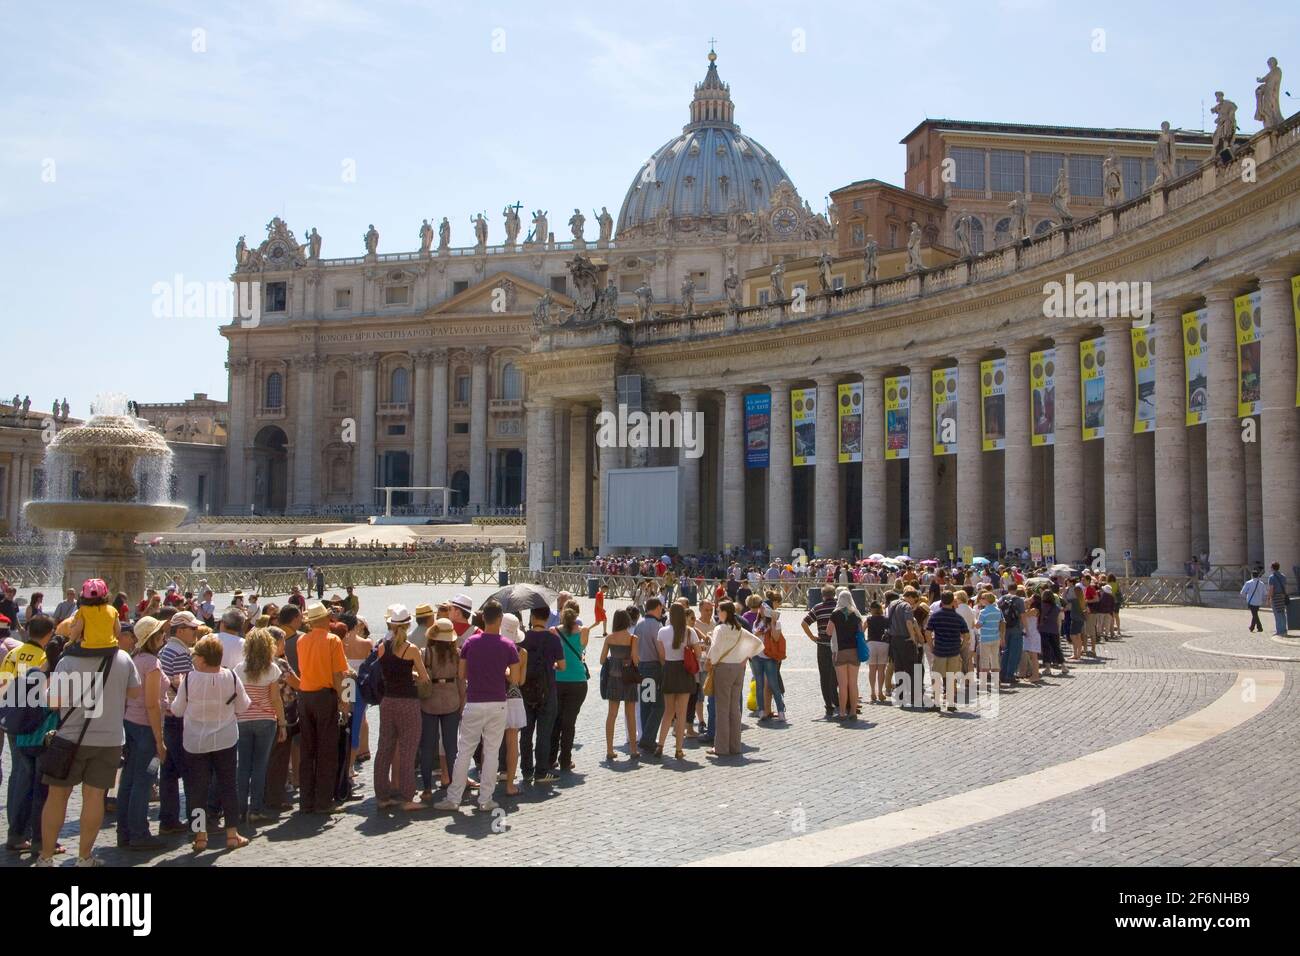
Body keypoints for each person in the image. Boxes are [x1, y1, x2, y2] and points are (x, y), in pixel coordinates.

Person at [38, 580, 142, 868]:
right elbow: (135, 694)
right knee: (94, 798)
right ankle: (84, 857)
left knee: (57, 797)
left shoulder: (68, 662)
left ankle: (46, 857)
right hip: (108, 738)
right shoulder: (122, 659)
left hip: (70, 738)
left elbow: (53, 703)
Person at [435, 600, 519, 813]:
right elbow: (515, 678)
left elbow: (462, 674)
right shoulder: (508, 646)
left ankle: (454, 798)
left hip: (474, 702)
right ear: (499, 619)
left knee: (464, 751)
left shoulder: (471, 643)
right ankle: (485, 799)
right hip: (497, 703)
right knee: (491, 753)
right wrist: (504, 672)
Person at [171, 634, 251, 851]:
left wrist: (178, 687)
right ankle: (232, 834)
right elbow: (243, 706)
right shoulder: (231, 677)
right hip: (225, 738)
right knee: (228, 786)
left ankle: (200, 836)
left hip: (196, 742)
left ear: (203, 659)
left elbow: (177, 710)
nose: (193, 658)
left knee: (197, 789)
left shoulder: (188, 679)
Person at [3, 615, 56, 854]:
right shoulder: (44, 658)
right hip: (35, 725)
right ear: (49, 634)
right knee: (37, 782)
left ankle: (15, 832)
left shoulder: (12, 654)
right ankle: (36, 835)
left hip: (13, 720)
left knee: (18, 776)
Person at [117, 615, 167, 850]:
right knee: (144, 780)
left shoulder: (132, 658)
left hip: (130, 723)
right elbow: (152, 704)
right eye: (160, 634)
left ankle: (124, 831)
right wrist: (160, 739)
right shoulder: (151, 664)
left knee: (128, 779)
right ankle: (139, 832)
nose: (164, 637)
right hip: (147, 728)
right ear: (152, 638)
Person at [296, 602, 350, 814]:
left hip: (305, 695)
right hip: (324, 696)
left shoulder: (302, 640)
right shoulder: (332, 640)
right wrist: (343, 701)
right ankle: (323, 801)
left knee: (308, 749)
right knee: (327, 750)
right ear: (325, 620)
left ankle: (306, 800)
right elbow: (339, 675)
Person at [374, 605, 429, 811]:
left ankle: (382, 796)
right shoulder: (411, 649)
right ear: (408, 624)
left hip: (387, 701)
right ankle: (407, 797)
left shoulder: (381, 646)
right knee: (408, 749)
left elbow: (384, 671)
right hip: (407, 701)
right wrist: (413, 676)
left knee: (384, 749)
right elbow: (424, 677)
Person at [234, 627, 287, 824]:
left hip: (243, 720)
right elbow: (275, 699)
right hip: (266, 720)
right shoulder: (272, 669)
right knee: (259, 766)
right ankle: (255, 809)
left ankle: (240, 809)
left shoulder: (239, 669)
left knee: (243, 766)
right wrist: (282, 723)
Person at [157, 609, 200, 834]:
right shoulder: (181, 653)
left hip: (168, 716)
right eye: (192, 629)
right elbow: (187, 688)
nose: (196, 632)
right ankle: (198, 824)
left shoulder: (166, 649)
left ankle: (168, 819)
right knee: (192, 774)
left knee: (169, 773)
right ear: (181, 630)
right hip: (181, 718)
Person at [706, 601, 762, 757]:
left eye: (718, 610)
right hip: (738, 669)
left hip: (724, 668)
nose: (717, 613)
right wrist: (744, 657)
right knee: (734, 708)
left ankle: (721, 747)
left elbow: (715, 649)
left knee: (722, 709)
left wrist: (710, 661)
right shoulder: (739, 629)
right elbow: (757, 643)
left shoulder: (720, 628)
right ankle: (735, 745)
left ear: (724, 612)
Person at [419, 618, 463, 799]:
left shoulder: (425, 653)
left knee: (428, 746)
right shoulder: (457, 654)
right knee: (452, 746)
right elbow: (461, 681)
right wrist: (462, 701)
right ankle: (454, 786)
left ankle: (427, 788)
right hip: (451, 699)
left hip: (429, 701)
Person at [519, 605, 563, 783]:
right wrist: (551, 665)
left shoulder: (523, 638)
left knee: (526, 733)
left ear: (532, 617)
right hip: (547, 689)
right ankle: (541, 771)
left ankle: (526, 770)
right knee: (544, 733)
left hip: (525, 690)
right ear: (546, 619)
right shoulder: (553, 639)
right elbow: (562, 666)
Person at [653, 603, 699, 760]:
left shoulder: (662, 631)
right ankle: (679, 749)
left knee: (668, 712)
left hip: (669, 670)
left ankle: (660, 745)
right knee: (681, 713)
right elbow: (698, 655)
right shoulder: (689, 632)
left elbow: (661, 655)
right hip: (684, 671)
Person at [549, 603, 589, 774]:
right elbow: (584, 644)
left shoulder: (553, 631)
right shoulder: (582, 631)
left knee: (555, 720)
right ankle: (565, 759)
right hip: (578, 681)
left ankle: (550, 759)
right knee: (569, 722)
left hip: (558, 679)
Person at [601, 608, 640, 761]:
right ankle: (633, 750)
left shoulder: (609, 638)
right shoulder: (633, 638)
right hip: (628, 678)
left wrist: (614, 659)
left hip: (613, 678)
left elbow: (602, 659)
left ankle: (610, 750)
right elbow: (636, 660)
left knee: (612, 714)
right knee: (630, 714)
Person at [925, 591, 968, 713]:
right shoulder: (958, 617)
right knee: (951, 678)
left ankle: (937, 703)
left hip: (939, 650)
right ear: (952, 601)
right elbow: (966, 635)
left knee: (937, 678)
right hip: (954, 651)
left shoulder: (935, 616)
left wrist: (931, 646)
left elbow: (928, 633)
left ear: (942, 601)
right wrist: (961, 647)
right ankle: (951, 703)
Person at [801, 584, 840, 718]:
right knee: (837, 674)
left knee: (824, 675)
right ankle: (837, 700)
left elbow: (804, 623)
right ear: (834, 594)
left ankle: (828, 704)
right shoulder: (839, 607)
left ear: (822, 595)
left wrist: (812, 637)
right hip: (838, 645)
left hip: (822, 645)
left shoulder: (817, 608)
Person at [634, 597, 666, 753]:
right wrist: (664, 667)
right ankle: (648, 738)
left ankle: (646, 737)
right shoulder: (657, 625)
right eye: (661, 608)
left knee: (646, 703)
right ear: (657, 607)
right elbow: (660, 651)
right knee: (659, 705)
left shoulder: (639, 624)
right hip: (654, 667)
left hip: (642, 666)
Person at [826, 589, 862, 719]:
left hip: (840, 651)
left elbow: (828, 632)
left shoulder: (835, 614)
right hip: (854, 651)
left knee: (842, 684)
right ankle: (853, 711)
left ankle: (841, 712)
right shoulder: (856, 614)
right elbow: (861, 631)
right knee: (853, 683)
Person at [886, 589, 925, 708]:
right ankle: (915, 698)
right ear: (911, 597)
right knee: (913, 670)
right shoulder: (906, 605)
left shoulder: (892, 604)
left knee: (899, 668)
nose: (914, 603)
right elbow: (909, 622)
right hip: (905, 640)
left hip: (894, 640)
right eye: (915, 600)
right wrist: (913, 638)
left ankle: (900, 697)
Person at [752, 601, 786, 721]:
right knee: (759, 685)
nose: (761, 610)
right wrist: (758, 632)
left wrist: (772, 622)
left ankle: (781, 711)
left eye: (764, 608)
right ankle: (761, 710)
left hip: (770, 658)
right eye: (760, 608)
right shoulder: (756, 623)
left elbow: (776, 637)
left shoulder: (777, 623)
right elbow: (753, 637)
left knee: (774, 685)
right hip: (757, 657)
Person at [975, 591, 1004, 695]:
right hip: (995, 637)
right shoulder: (998, 610)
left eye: (982, 598)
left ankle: (983, 684)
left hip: (985, 638)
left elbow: (978, 625)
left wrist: (974, 622)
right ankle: (996, 682)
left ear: (986, 600)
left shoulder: (983, 612)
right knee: (995, 660)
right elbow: (1002, 622)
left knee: (984, 661)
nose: (981, 600)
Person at [998, 586, 1026, 687]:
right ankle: (1010, 675)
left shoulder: (1001, 599)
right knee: (1015, 652)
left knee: (1005, 651)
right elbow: (1023, 615)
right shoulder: (1019, 600)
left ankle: (1002, 673)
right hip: (1016, 627)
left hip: (1004, 628)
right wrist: (1026, 628)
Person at [864, 600, 890, 704]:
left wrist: (865, 641)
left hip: (871, 644)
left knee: (872, 669)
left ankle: (872, 692)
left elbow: (861, 629)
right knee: (881, 670)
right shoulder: (886, 619)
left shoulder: (869, 619)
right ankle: (880, 692)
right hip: (883, 644)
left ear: (871, 609)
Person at [1266, 563, 1290, 636]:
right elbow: (1285, 587)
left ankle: (1280, 631)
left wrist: (1268, 598)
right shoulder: (1283, 576)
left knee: (1277, 614)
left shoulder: (1271, 577)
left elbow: (1271, 589)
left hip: (1276, 597)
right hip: (1282, 596)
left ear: (1272, 568)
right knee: (1282, 613)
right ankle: (1284, 630)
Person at [1241, 568, 1268, 633]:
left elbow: (1242, 592)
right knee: (1255, 614)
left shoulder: (1248, 583)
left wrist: (1246, 595)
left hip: (1251, 601)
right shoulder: (1262, 583)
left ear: (1252, 575)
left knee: (1255, 614)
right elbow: (1265, 593)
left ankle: (1260, 627)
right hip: (1258, 601)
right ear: (1258, 576)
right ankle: (1252, 627)